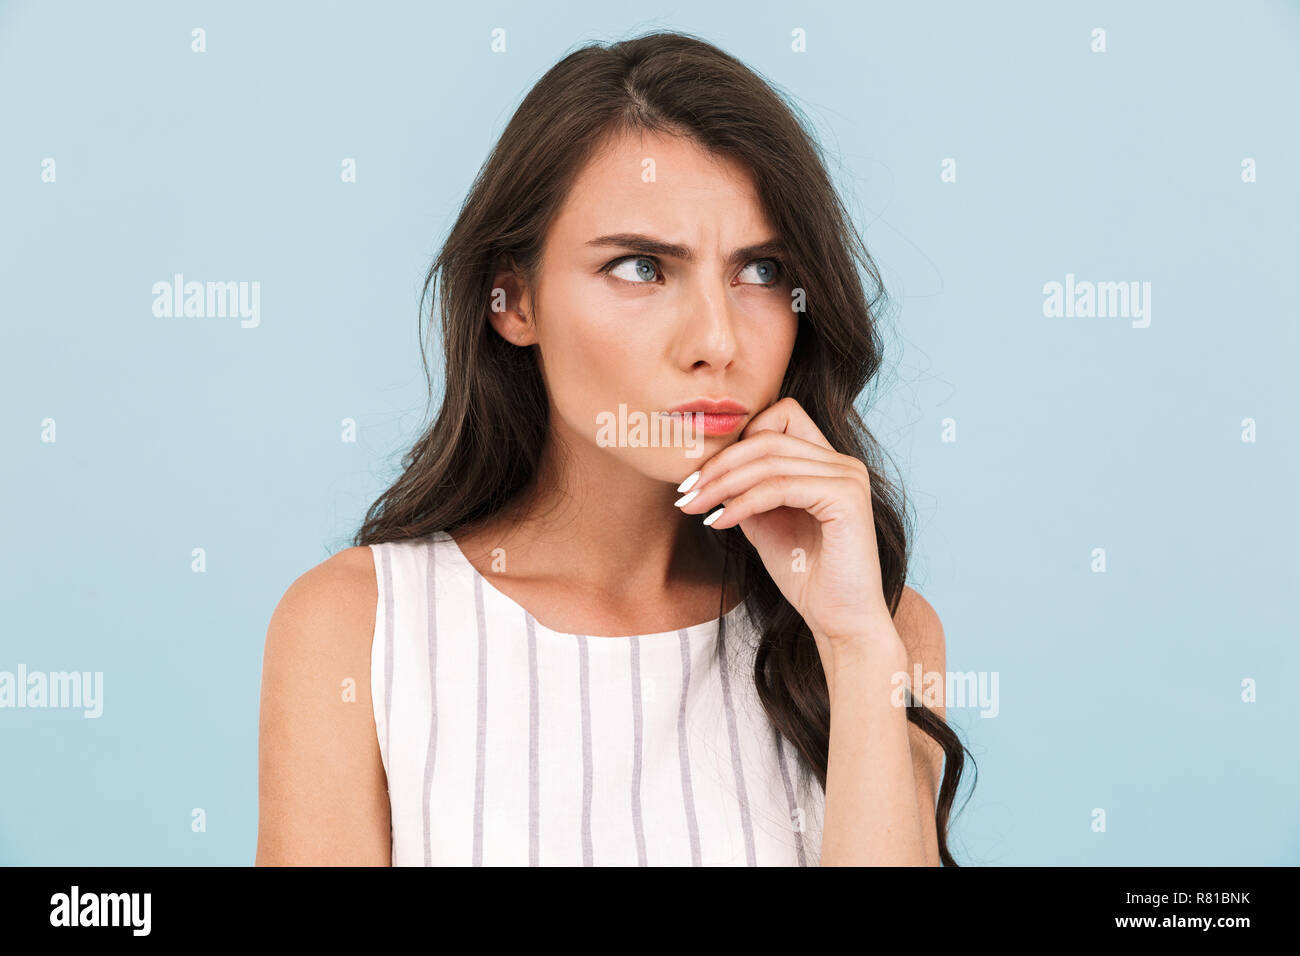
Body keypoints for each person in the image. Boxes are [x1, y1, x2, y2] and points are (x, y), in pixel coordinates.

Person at [256, 29, 969, 867]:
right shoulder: (357, 627)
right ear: (512, 301)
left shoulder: (881, 627)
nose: (715, 340)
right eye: (640, 267)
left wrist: (855, 646)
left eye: (762, 271)